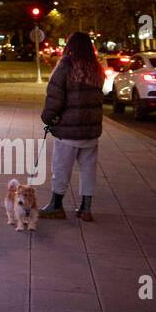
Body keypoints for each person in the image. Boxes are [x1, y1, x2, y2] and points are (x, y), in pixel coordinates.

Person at [39, 32, 104, 222]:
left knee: (61, 168)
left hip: (68, 130)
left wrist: (48, 118)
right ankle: (86, 208)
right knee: (88, 170)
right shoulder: (96, 68)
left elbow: (54, 97)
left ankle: (56, 205)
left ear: (70, 46)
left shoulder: (66, 65)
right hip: (91, 131)